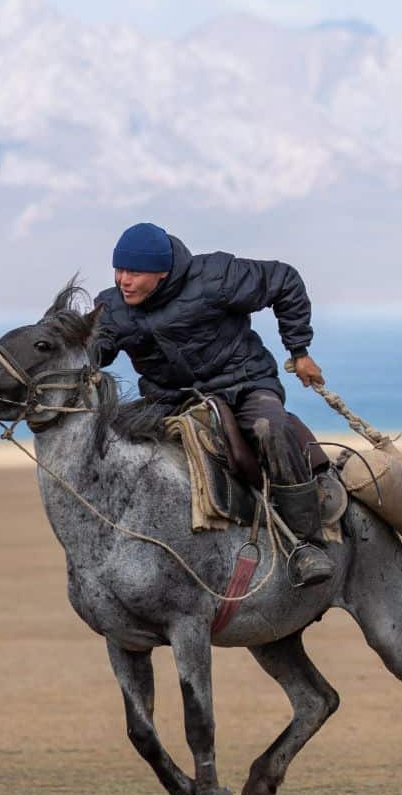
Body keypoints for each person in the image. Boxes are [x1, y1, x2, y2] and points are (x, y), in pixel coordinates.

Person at [92, 222, 335, 587]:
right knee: (106, 437)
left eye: (134, 272)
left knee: (272, 428)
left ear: (161, 272)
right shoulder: (112, 307)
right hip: (169, 401)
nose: (123, 280)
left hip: (245, 386)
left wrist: (299, 351)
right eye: (119, 270)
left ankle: (307, 544)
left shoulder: (216, 277)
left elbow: (284, 280)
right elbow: (94, 351)